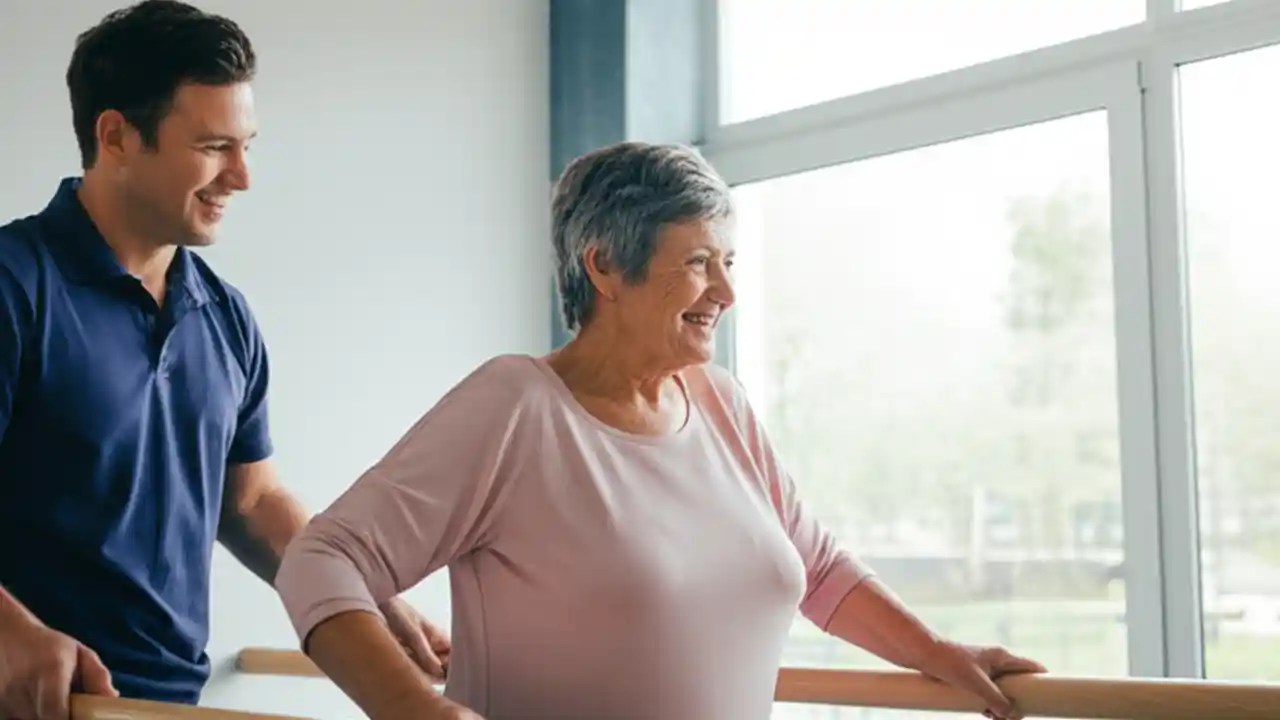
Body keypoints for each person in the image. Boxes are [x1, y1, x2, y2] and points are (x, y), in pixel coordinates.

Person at [273, 141, 1048, 720]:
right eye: (701, 262)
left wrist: (938, 654)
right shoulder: (517, 407)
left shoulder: (721, 404)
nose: (728, 292)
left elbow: (818, 572)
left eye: (731, 261)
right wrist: (417, 711)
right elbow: (322, 558)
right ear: (606, 267)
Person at [0, 3, 448, 718]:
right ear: (115, 136)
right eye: (213, 147)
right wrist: (9, 634)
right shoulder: (14, 285)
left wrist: (362, 598)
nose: (241, 176)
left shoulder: (226, 316)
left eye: (247, 145)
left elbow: (253, 503)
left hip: (170, 706)